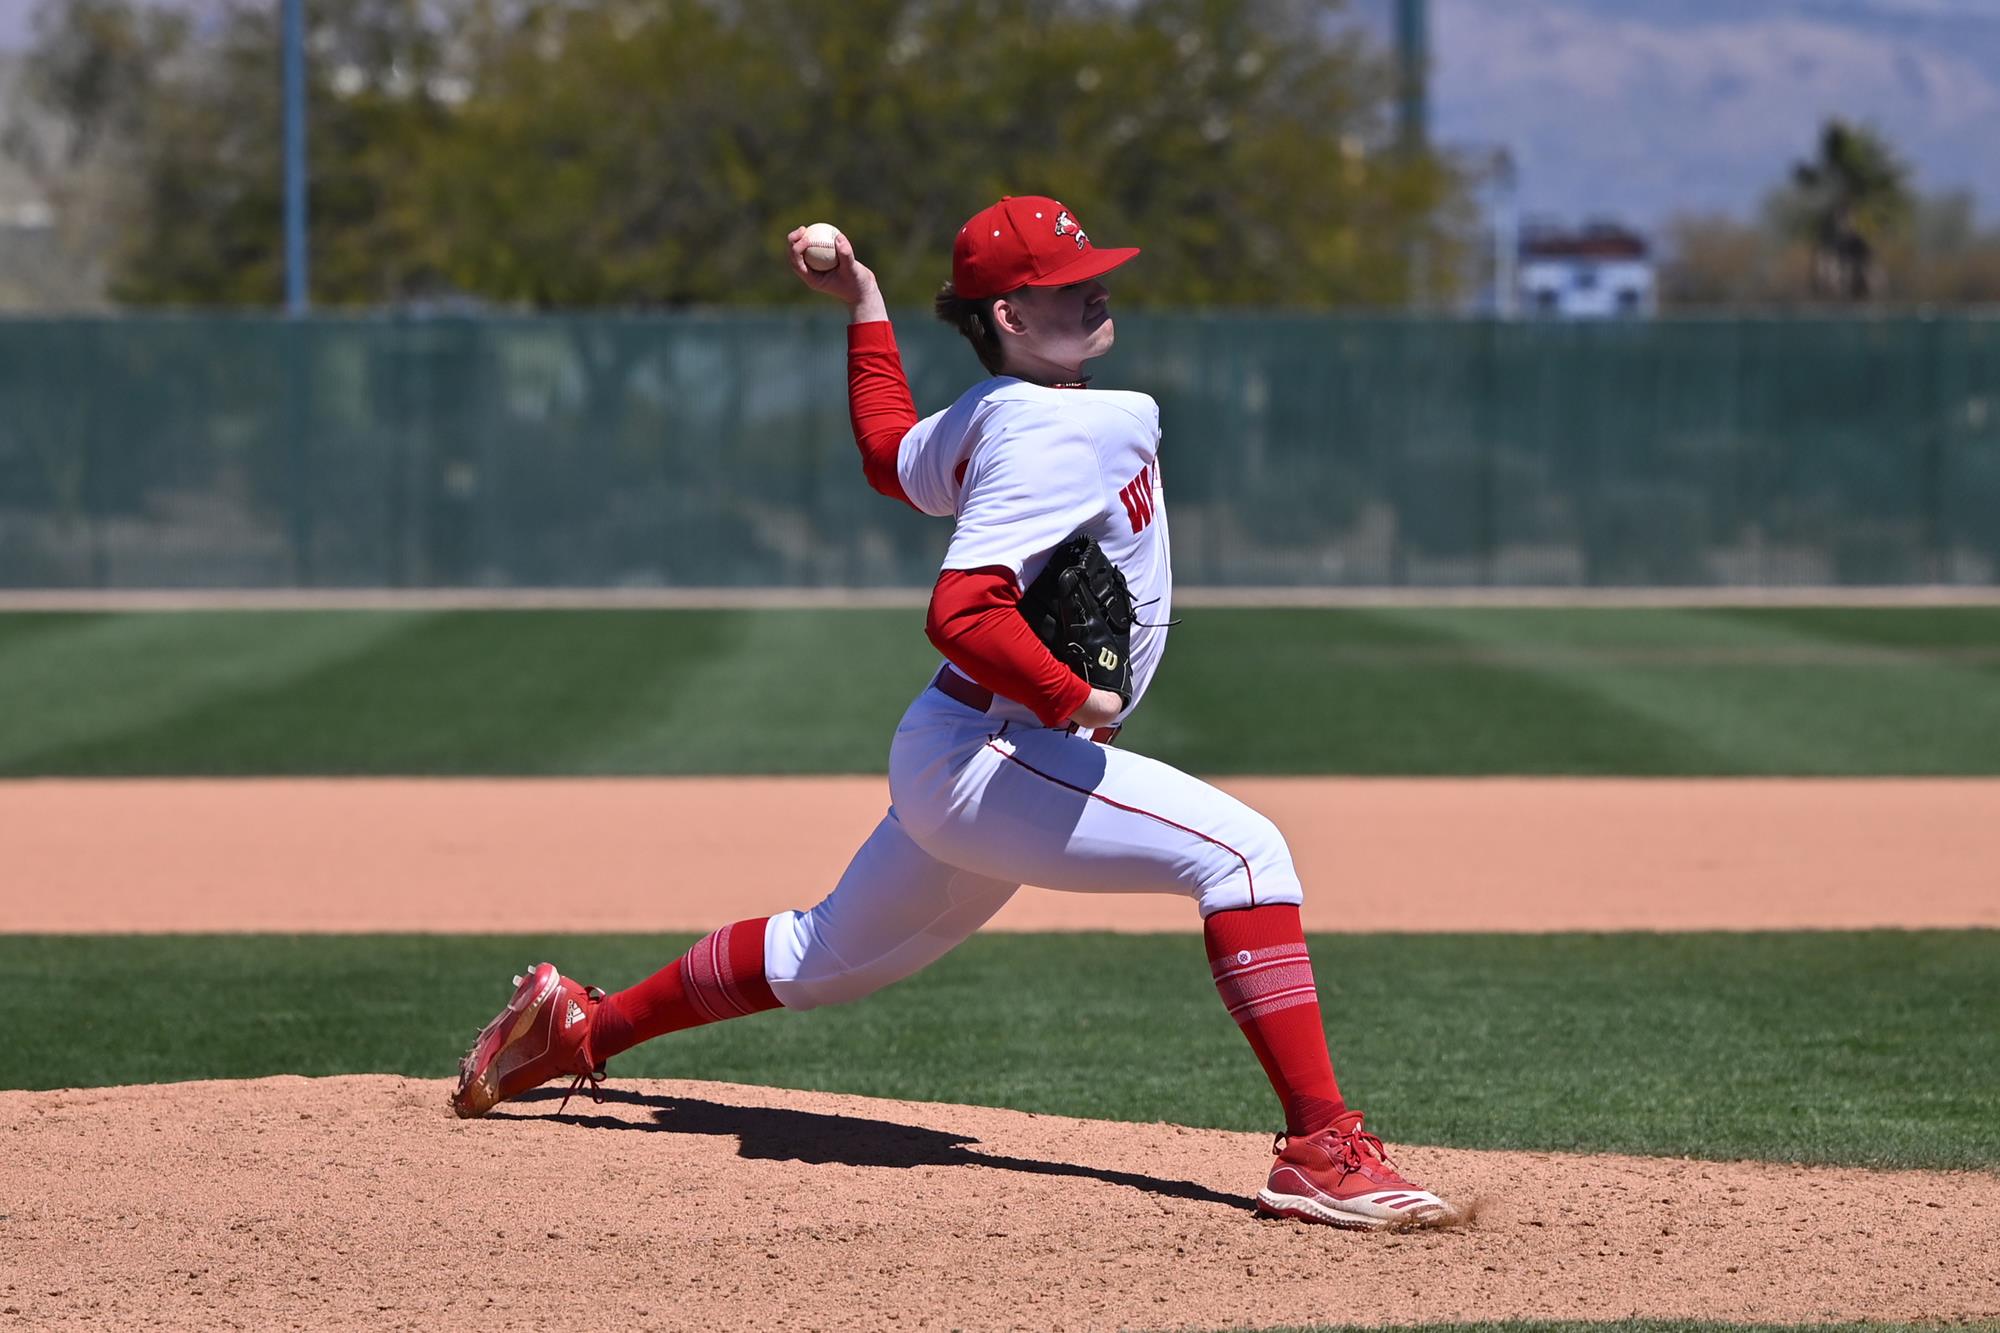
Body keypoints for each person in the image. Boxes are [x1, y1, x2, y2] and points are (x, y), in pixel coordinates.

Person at [450, 195, 1457, 1231]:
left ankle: (578, 1028)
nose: (1096, 288)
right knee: (1244, 856)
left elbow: (888, 453)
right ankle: (1319, 1148)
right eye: (1066, 285)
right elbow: (959, 609)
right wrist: (1074, 694)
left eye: (1092, 270)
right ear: (1010, 317)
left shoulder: (992, 415)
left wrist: (863, 301)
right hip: (995, 751)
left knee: (819, 957)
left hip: (967, 755)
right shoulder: (1071, 424)